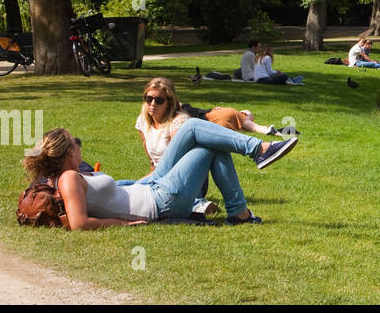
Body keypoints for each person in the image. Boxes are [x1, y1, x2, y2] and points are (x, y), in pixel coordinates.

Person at [24, 121, 297, 228]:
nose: (79, 146)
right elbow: (79, 223)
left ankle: (258, 154)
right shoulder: (69, 178)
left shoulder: (71, 173)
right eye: (75, 143)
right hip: (160, 201)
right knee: (211, 148)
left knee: (190, 127)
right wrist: (122, 225)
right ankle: (257, 155)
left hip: (148, 185)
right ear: (69, 153)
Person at [134, 77, 292, 175]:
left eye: (159, 100)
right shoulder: (143, 121)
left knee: (206, 136)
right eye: (148, 99)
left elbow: (181, 163)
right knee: (121, 186)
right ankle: (260, 149)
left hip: (180, 176)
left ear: (170, 103)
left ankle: (259, 148)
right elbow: (152, 160)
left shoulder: (179, 120)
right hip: (161, 177)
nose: (152, 104)